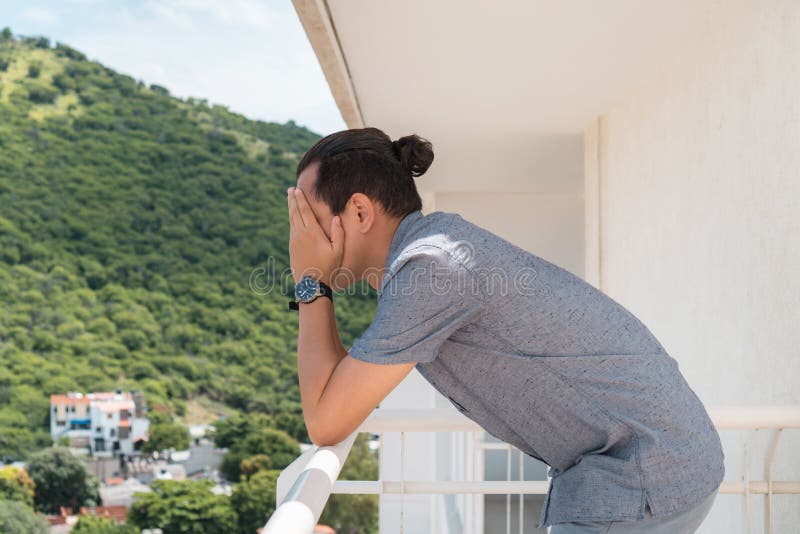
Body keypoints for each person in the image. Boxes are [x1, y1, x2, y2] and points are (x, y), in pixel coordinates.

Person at [285, 127, 725, 531]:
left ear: (360, 211)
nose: (301, 234)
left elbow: (327, 420)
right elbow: (337, 393)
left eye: (307, 216)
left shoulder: (431, 268)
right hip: (642, 460)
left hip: (645, 471)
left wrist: (310, 279)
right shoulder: (431, 252)